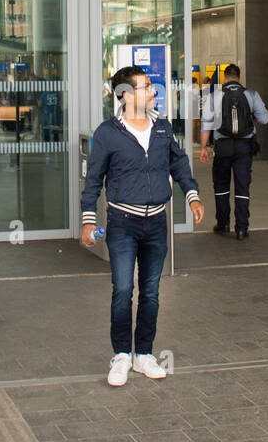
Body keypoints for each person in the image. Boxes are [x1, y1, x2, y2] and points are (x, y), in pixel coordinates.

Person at [81, 65, 204, 386]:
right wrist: (88, 220)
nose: (153, 91)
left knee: (150, 291)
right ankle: (121, 355)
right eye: (146, 86)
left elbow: (178, 162)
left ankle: (144, 355)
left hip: (156, 223)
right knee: (123, 290)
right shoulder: (107, 133)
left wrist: (192, 195)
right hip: (122, 223)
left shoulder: (162, 127)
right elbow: (93, 179)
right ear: (125, 94)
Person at [199, 63, 268, 240]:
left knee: (221, 185)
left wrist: (203, 148)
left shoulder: (215, 96)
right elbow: (265, 118)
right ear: (239, 77)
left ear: (224, 77)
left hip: (222, 146)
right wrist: (251, 117)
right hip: (244, 146)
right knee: (242, 185)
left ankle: (223, 224)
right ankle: (241, 228)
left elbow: (206, 123)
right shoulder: (251, 94)